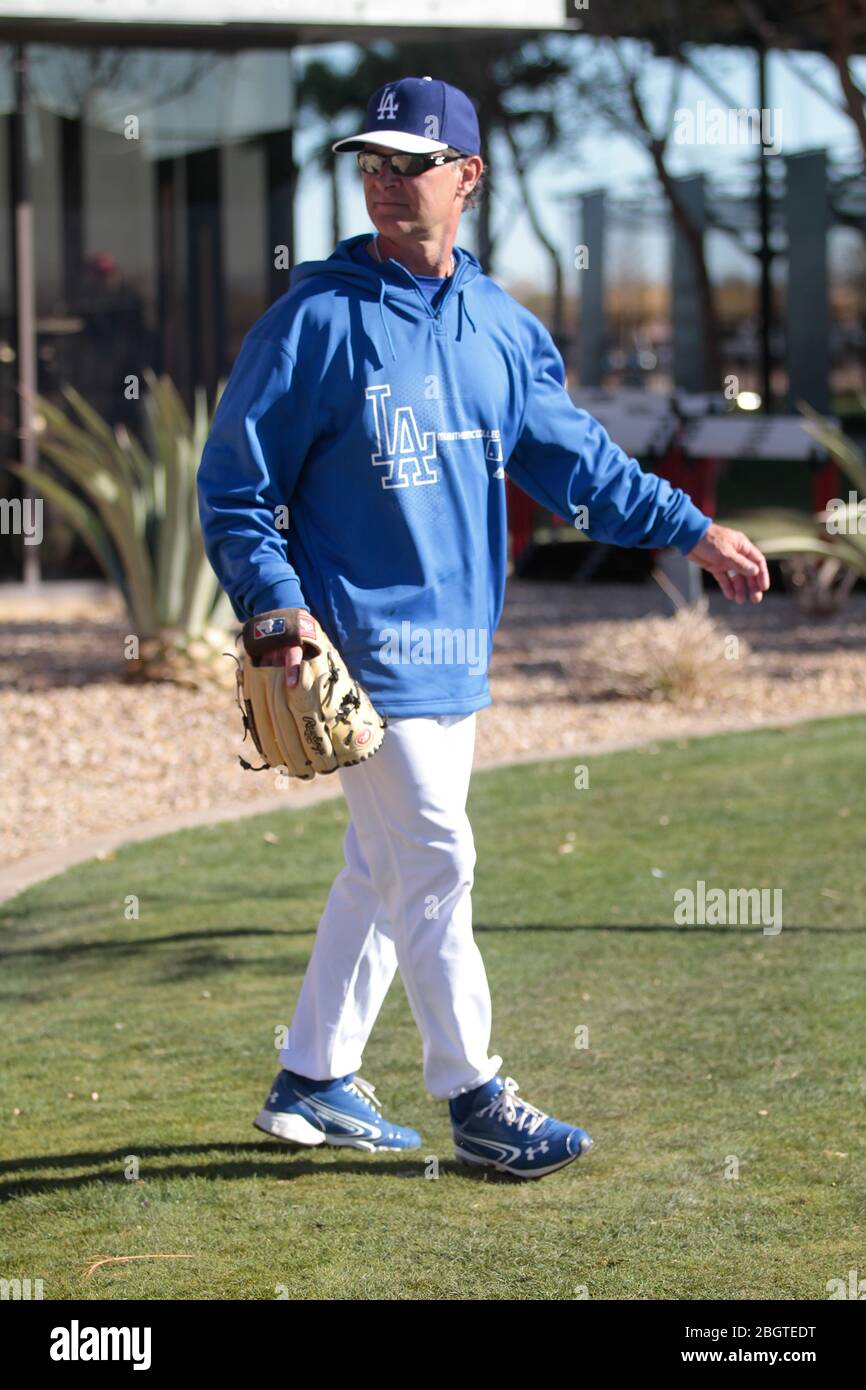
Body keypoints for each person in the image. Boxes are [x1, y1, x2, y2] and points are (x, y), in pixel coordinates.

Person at [196, 76, 769, 1181]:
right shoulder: (314, 320)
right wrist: (273, 609)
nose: (385, 181)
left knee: (382, 865)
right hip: (357, 656)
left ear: (467, 176)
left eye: (409, 163)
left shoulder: (499, 325)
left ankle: (312, 1074)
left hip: (459, 656)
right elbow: (234, 489)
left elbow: (576, 467)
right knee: (438, 861)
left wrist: (691, 529)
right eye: (371, 163)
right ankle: (474, 1094)